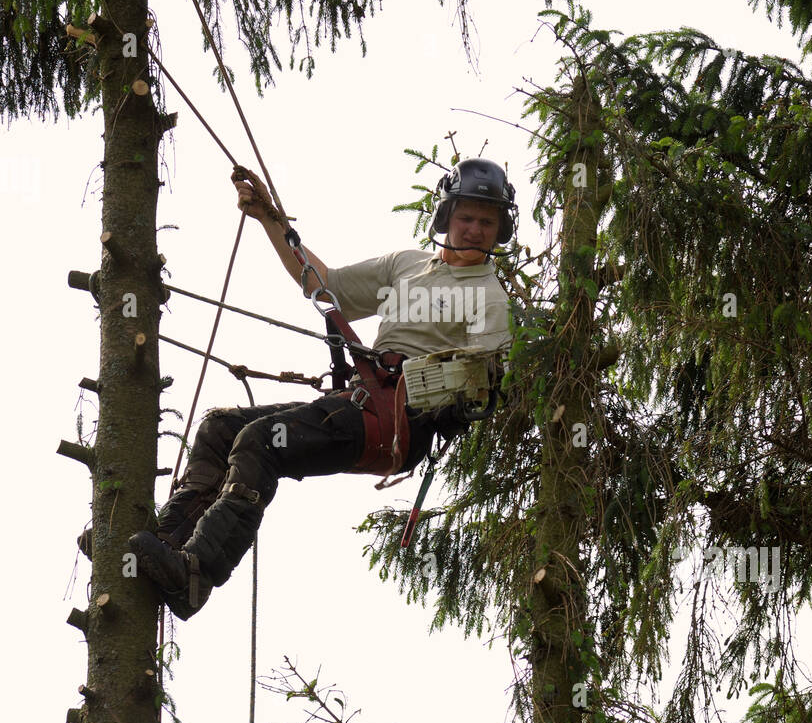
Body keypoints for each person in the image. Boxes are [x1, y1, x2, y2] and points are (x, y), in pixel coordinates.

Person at [94, 158, 516, 619]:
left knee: (259, 443)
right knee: (219, 429)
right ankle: (165, 542)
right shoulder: (407, 265)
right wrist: (269, 219)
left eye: (486, 221)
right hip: (360, 401)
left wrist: (445, 396)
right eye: (467, 217)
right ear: (446, 217)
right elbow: (326, 286)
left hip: (399, 422)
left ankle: (198, 574)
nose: (475, 229)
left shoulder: (490, 297)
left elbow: (485, 381)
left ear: (500, 230)